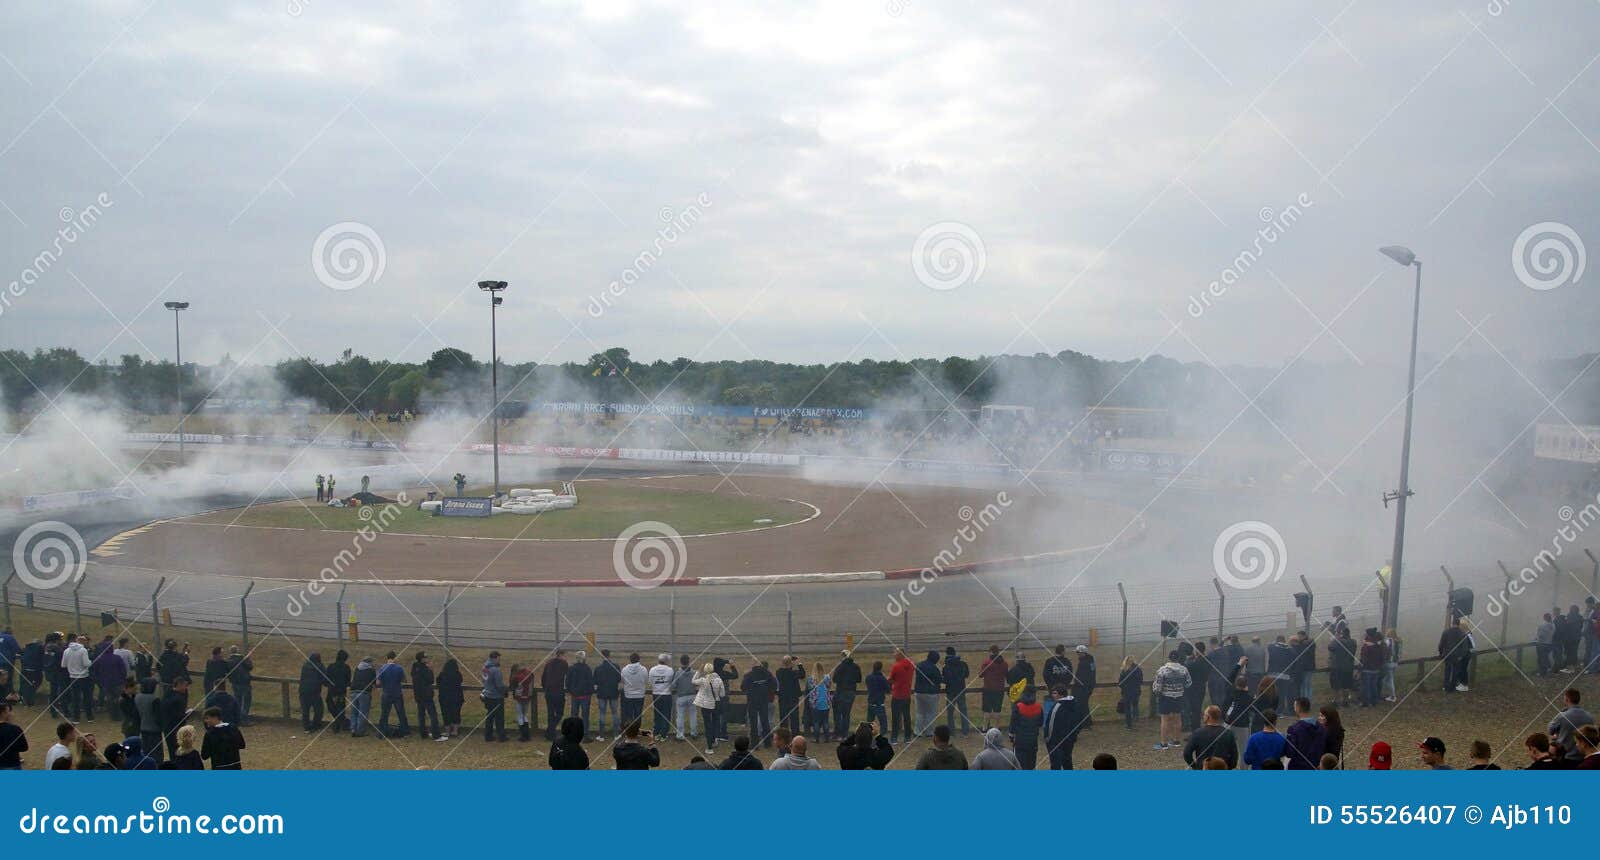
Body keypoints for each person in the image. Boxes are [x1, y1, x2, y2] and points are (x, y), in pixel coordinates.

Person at [1151, 650, 1190, 750]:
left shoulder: (1162, 670)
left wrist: (1157, 693)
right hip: (1179, 696)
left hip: (1166, 697)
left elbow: (1157, 688)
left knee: (1165, 720)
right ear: (1178, 658)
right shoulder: (1184, 669)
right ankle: (1176, 741)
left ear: (1169, 658)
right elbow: (1188, 683)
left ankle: (1164, 744)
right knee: (1178, 719)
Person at [1043, 685, 1087, 769]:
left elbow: (1050, 724)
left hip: (1056, 741)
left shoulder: (1057, 706)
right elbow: (1080, 721)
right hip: (1069, 740)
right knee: (1067, 761)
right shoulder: (1075, 704)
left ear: (1061, 694)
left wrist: (1047, 738)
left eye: (1055, 693)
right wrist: (1074, 735)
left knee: (1056, 764)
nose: (1053, 695)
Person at [1183, 705, 1238, 770]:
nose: (1203, 717)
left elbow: (1187, 753)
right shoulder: (1228, 733)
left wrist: (1195, 767)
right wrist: (1229, 767)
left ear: (1208, 717)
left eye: (1204, 715)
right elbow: (1234, 755)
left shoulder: (1198, 733)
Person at [1548, 687, 1594, 763]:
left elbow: (1550, 729)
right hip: (1584, 757)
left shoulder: (1563, 715)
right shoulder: (1589, 716)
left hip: (1567, 756)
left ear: (1567, 699)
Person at [1283, 697, 1326, 770]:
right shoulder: (1320, 727)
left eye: (1294, 707)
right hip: (1316, 766)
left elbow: (1290, 752)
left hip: (1298, 767)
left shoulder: (1293, 729)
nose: (1294, 709)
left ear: (1298, 708)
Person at [1009, 683, 1044, 769]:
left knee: (1019, 763)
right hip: (1033, 740)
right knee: (1031, 764)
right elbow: (1040, 723)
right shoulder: (1038, 707)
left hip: (1020, 740)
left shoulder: (1018, 706)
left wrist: (1011, 735)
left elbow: (1013, 723)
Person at [692, 662, 725, 754]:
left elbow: (693, 681)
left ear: (705, 671)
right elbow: (722, 694)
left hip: (705, 705)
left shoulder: (703, 680)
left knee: (708, 725)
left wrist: (698, 672)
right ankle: (714, 740)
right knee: (715, 723)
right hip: (716, 704)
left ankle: (709, 747)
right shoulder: (719, 680)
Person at [741, 659, 774, 747]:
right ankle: (767, 742)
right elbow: (774, 685)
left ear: (753, 666)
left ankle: (754, 743)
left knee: (753, 723)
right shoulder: (767, 674)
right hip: (764, 700)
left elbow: (743, 687)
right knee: (765, 721)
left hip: (752, 701)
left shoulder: (749, 675)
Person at [376, 651, 410, 738]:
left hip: (386, 693)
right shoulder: (399, 668)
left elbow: (378, 682)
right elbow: (404, 680)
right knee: (401, 713)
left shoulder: (382, 668)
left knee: (384, 713)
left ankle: (382, 732)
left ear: (387, 658)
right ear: (395, 657)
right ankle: (405, 732)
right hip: (397, 693)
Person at [61, 633, 93, 721]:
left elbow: (63, 665)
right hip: (84, 676)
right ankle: (89, 716)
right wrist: (91, 662)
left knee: (75, 698)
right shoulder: (83, 650)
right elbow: (86, 664)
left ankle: (76, 718)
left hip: (73, 677)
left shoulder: (66, 650)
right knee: (87, 697)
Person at [941, 647, 972, 736]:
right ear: (955, 653)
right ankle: (965, 730)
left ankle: (951, 731)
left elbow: (945, 679)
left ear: (947, 654)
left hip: (950, 690)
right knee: (963, 710)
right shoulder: (963, 664)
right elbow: (966, 675)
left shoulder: (946, 666)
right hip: (961, 689)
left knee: (950, 712)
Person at [978, 645, 1009, 731]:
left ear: (991, 652)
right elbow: (1006, 674)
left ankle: (984, 729)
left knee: (987, 710)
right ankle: (996, 728)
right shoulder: (1004, 663)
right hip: (999, 690)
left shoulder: (987, 662)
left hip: (988, 689)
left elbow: (980, 675)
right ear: (998, 652)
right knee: (997, 710)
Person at [912, 649, 942, 738]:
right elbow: (939, 680)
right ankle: (929, 732)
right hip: (931, 693)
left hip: (919, 692)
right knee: (931, 713)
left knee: (920, 712)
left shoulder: (919, 665)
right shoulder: (934, 668)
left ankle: (917, 731)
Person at [541, 650, 569, 741]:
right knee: (559, 713)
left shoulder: (548, 663)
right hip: (558, 692)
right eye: (565, 655)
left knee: (550, 713)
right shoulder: (564, 664)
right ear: (561, 655)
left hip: (549, 692)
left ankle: (550, 733)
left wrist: (545, 688)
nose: (566, 657)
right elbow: (567, 677)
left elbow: (543, 677)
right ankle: (550, 731)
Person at [593, 650, 621, 739]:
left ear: (602, 656)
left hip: (602, 693)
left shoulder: (598, 668)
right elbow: (619, 679)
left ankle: (601, 735)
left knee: (602, 713)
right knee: (615, 713)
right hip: (613, 692)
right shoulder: (616, 667)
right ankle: (616, 734)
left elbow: (595, 681)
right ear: (610, 655)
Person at [833, 650, 862, 737]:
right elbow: (859, 679)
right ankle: (845, 733)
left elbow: (834, 679)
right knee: (846, 714)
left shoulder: (840, 667)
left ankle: (838, 733)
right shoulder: (856, 667)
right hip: (851, 692)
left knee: (838, 713)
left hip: (841, 691)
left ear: (843, 656)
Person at [888, 648, 915, 742]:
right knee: (907, 716)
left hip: (897, 694)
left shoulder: (896, 666)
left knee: (895, 717)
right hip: (907, 694)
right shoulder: (911, 664)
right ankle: (907, 737)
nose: (894, 654)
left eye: (895, 653)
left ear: (900, 654)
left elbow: (891, 679)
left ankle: (894, 737)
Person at [161, 676, 191, 759]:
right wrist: (186, 715)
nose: (186, 688)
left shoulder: (182, 694)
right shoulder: (173, 697)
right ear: (179, 685)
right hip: (171, 726)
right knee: (173, 748)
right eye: (184, 685)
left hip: (179, 726)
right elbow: (176, 713)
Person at [565, 650, 594, 735]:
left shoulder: (571, 668)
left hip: (575, 695)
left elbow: (567, 681)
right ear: (584, 659)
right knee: (585, 716)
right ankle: (585, 734)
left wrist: (571, 691)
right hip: (585, 696)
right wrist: (590, 692)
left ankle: (573, 732)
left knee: (574, 715)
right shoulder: (587, 669)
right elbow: (590, 682)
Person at [412, 652, 440, 740]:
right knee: (433, 715)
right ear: (422, 659)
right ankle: (436, 734)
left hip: (418, 695)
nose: (427, 659)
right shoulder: (424, 669)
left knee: (421, 715)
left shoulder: (414, 668)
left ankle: (423, 733)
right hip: (426, 695)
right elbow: (430, 680)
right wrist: (431, 670)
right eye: (425, 657)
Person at [1438, 618, 1471, 693]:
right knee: (1455, 671)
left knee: (1447, 671)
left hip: (1448, 654)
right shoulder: (1462, 633)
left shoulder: (1446, 632)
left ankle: (1446, 687)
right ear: (1459, 624)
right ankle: (1452, 687)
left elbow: (1441, 644)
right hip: (1457, 656)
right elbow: (1465, 647)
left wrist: (1441, 653)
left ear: (1452, 623)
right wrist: (1461, 656)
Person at [481, 651, 508, 742]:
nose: (499, 661)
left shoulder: (484, 668)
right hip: (496, 697)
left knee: (489, 716)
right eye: (498, 659)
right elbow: (499, 685)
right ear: (494, 658)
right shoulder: (495, 670)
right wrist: (504, 691)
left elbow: (484, 680)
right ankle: (501, 736)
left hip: (487, 695)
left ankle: (488, 735)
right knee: (499, 718)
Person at [134, 678, 162, 764]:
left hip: (143, 727)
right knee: (156, 753)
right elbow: (158, 716)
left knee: (146, 751)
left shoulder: (137, 697)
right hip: (154, 729)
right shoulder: (154, 699)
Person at [775, 655, 804, 735]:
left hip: (783, 698)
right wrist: (799, 663)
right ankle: (795, 734)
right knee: (794, 718)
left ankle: (784, 735)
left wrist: (789, 664)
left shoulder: (779, 672)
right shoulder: (793, 673)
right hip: (793, 698)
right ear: (791, 663)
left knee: (783, 718)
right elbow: (802, 674)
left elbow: (785, 671)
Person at [1328, 628, 1357, 706]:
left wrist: (1335, 639)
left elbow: (1330, 647)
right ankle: (1345, 700)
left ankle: (1336, 700)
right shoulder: (1353, 642)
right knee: (1346, 685)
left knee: (1335, 685)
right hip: (1348, 667)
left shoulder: (1338, 642)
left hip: (1337, 666)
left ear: (1342, 634)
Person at [647, 653, 674, 739]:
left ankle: (657, 731)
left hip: (656, 694)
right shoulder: (670, 670)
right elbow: (671, 681)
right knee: (666, 714)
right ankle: (663, 734)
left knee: (657, 714)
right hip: (666, 695)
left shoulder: (652, 670)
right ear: (666, 661)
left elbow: (650, 682)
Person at [298, 652, 326, 731]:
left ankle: (306, 726)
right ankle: (316, 725)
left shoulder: (305, 666)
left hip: (303, 690)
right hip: (314, 691)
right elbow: (325, 677)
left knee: (305, 710)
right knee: (319, 709)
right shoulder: (320, 667)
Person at [349, 655, 377, 737]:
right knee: (363, 713)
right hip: (364, 693)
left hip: (354, 691)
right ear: (369, 662)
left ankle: (353, 729)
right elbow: (374, 683)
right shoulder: (371, 670)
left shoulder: (357, 669)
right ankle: (360, 731)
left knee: (354, 712)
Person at [1358, 629, 1387, 708]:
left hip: (1367, 669)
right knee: (1373, 686)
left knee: (1366, 687)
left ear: (1368, 635)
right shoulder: (1379, 645)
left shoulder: (1366, 647)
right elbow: (1382, 657)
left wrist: (1361, 664)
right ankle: (1374, 701)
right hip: (1376, 669)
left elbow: (1364, 658)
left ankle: (1367, 702)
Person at [437, 657, 464, 739]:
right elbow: (460, 681)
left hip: (444, 697)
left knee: (446, 713)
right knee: (456, 713)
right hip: (456, 697)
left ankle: (447, 731)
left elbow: (438, 682)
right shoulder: (457, 674)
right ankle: (455, 731)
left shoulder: (442, 674)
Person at [620, 652, 648, 729]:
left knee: (629, 715)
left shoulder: (625, 669)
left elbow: (623, 681)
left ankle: (629, 731)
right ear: (639, 659)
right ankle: (637, 730)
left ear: (630, 660)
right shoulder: (644, 669)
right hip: (640, 695)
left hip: (628, 695)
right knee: (638, 714)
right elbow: (645, 680)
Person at [226, 645, 253, 724]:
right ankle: (244, 719)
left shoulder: (229, 660)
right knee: (246, 701)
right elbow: (250, 667)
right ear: (237, 651)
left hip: (235, 683)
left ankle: (237, 718)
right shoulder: (241, 658)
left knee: (238, 700)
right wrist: (248, 658)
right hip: (244, 682)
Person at [326, 650, 352, 734]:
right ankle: (342, 722)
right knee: (340, 707)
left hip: (332, 691)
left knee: (331, 706)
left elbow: (327, 677)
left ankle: (339, 723)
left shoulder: (331, 666)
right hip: (341, 691)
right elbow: (348, 680)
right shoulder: (346, 667)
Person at [805, 661, 833, 740]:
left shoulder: (810, 679)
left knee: (816, 722)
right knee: (825, 722)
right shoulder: (827, 677)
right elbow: (829, 686)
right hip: (825, 703)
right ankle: (827, 737)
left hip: (815, 703)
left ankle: (816, 738)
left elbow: (809, 689)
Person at [510, 662, 535, 742]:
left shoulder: (516, 677)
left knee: (520, 716)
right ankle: (528, 735)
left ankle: (523, 736)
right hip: (528, 697)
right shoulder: (530, 674)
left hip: (519, 698)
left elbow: (512, 686)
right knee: (525, 715)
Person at [1117, 655, 1143, 730]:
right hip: (1136, 691)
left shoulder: (1124, 670)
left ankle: (1129, 724)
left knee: (1128, 708)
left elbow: (1120, 682)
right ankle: (1135, 721)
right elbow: (1140, 680)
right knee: (1135, 706)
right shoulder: (1138, 669)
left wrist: (1123, 687)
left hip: (1127, 691)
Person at [864, 660, 890, 737]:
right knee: (883, 723)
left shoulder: (868, 677)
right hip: (879, 703)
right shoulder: (882, 678)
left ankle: (868, 737)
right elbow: (888, 689)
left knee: (869, 722)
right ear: (880, 668)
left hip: (871, 702)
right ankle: (881, 737)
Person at [0, 702, 27, 769]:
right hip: (12, 765)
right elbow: (24, 747)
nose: (12, 714)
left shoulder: (14, 728)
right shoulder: (15, 729)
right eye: (9, 711)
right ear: (3, 713)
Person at [1537, 613, 1557, 677]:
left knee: (1541, 659)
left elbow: (1540, 635)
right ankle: (1547, 671)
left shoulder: (1542, 626)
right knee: (1546, 658)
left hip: (1542, 644)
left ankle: (1543, 673)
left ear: (1544, 618)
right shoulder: (1553, 625)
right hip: (1549, 644)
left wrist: (1537, 638)